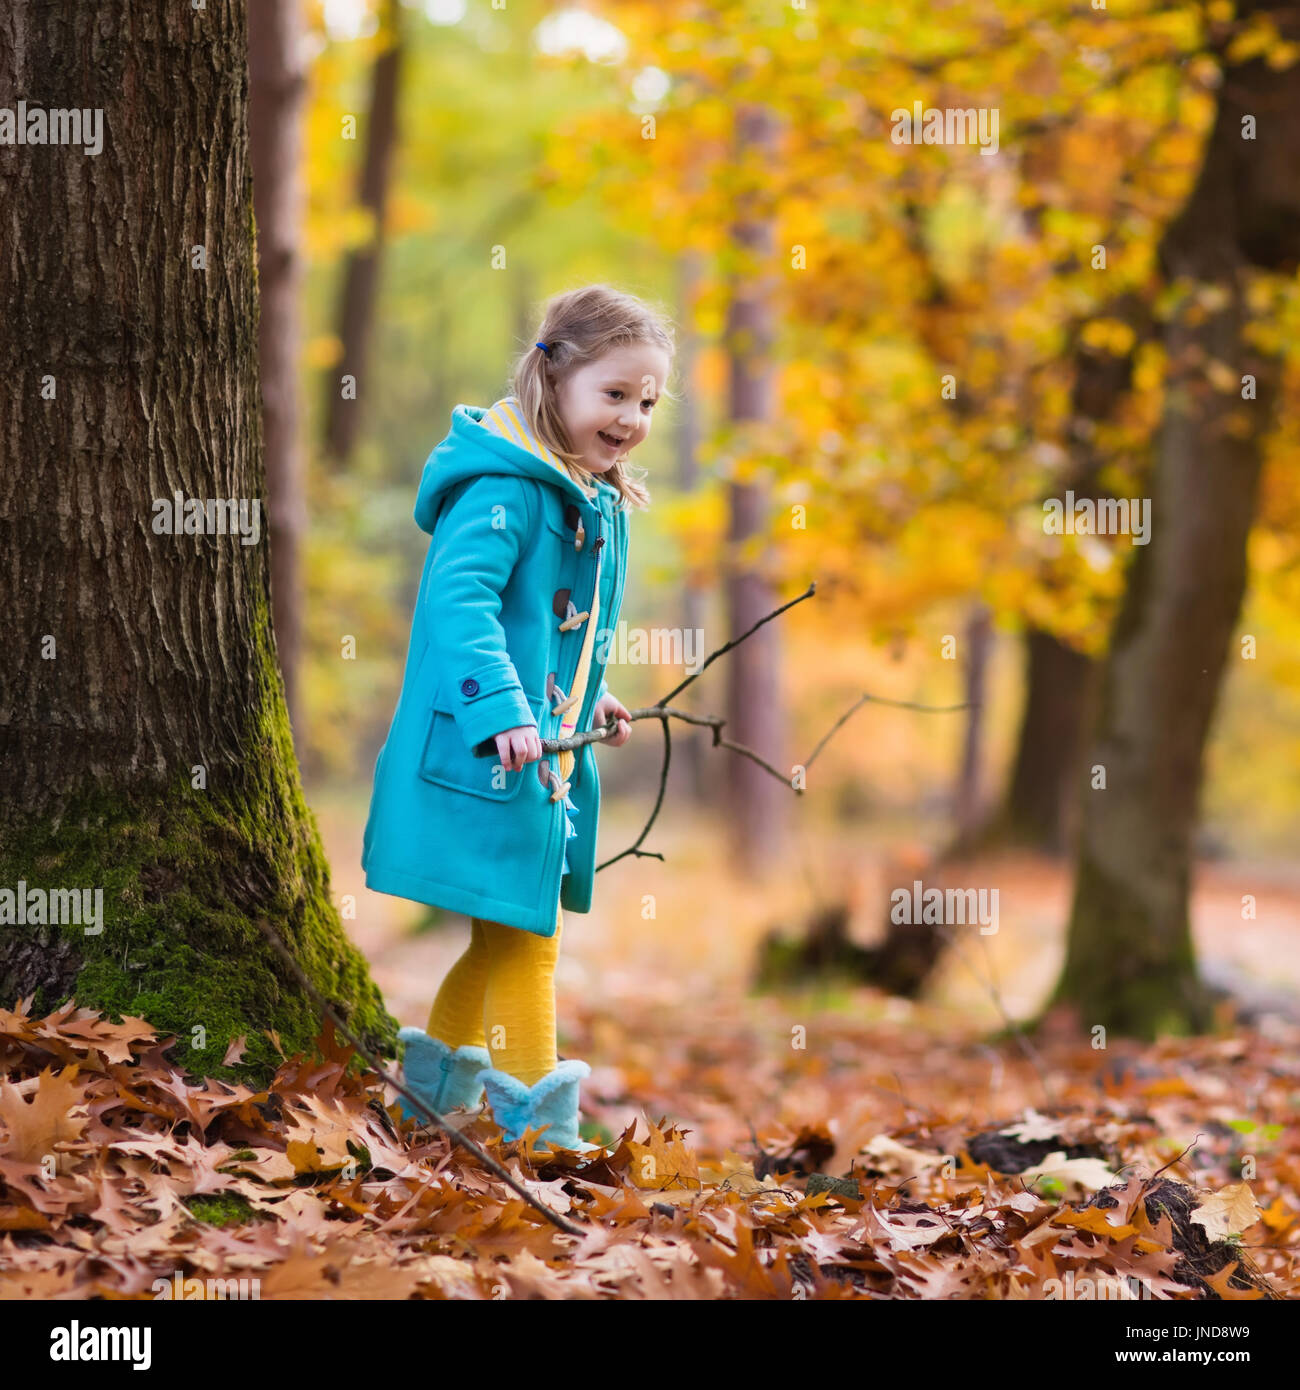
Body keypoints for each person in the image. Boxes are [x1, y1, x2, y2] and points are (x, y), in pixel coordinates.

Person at [362, 284, 675, 1154]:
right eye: (614, 394)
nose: (632, 418)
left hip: (539, 751)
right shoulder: (505, 487)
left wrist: (586, 693)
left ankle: (425, 1108)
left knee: (503, 938)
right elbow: (460, 606)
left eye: (647, 401)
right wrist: (504, 708)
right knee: (530, 940)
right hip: (485, 752)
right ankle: (544, 1137)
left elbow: (548, 626)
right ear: (557, 378)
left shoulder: (583, 493)